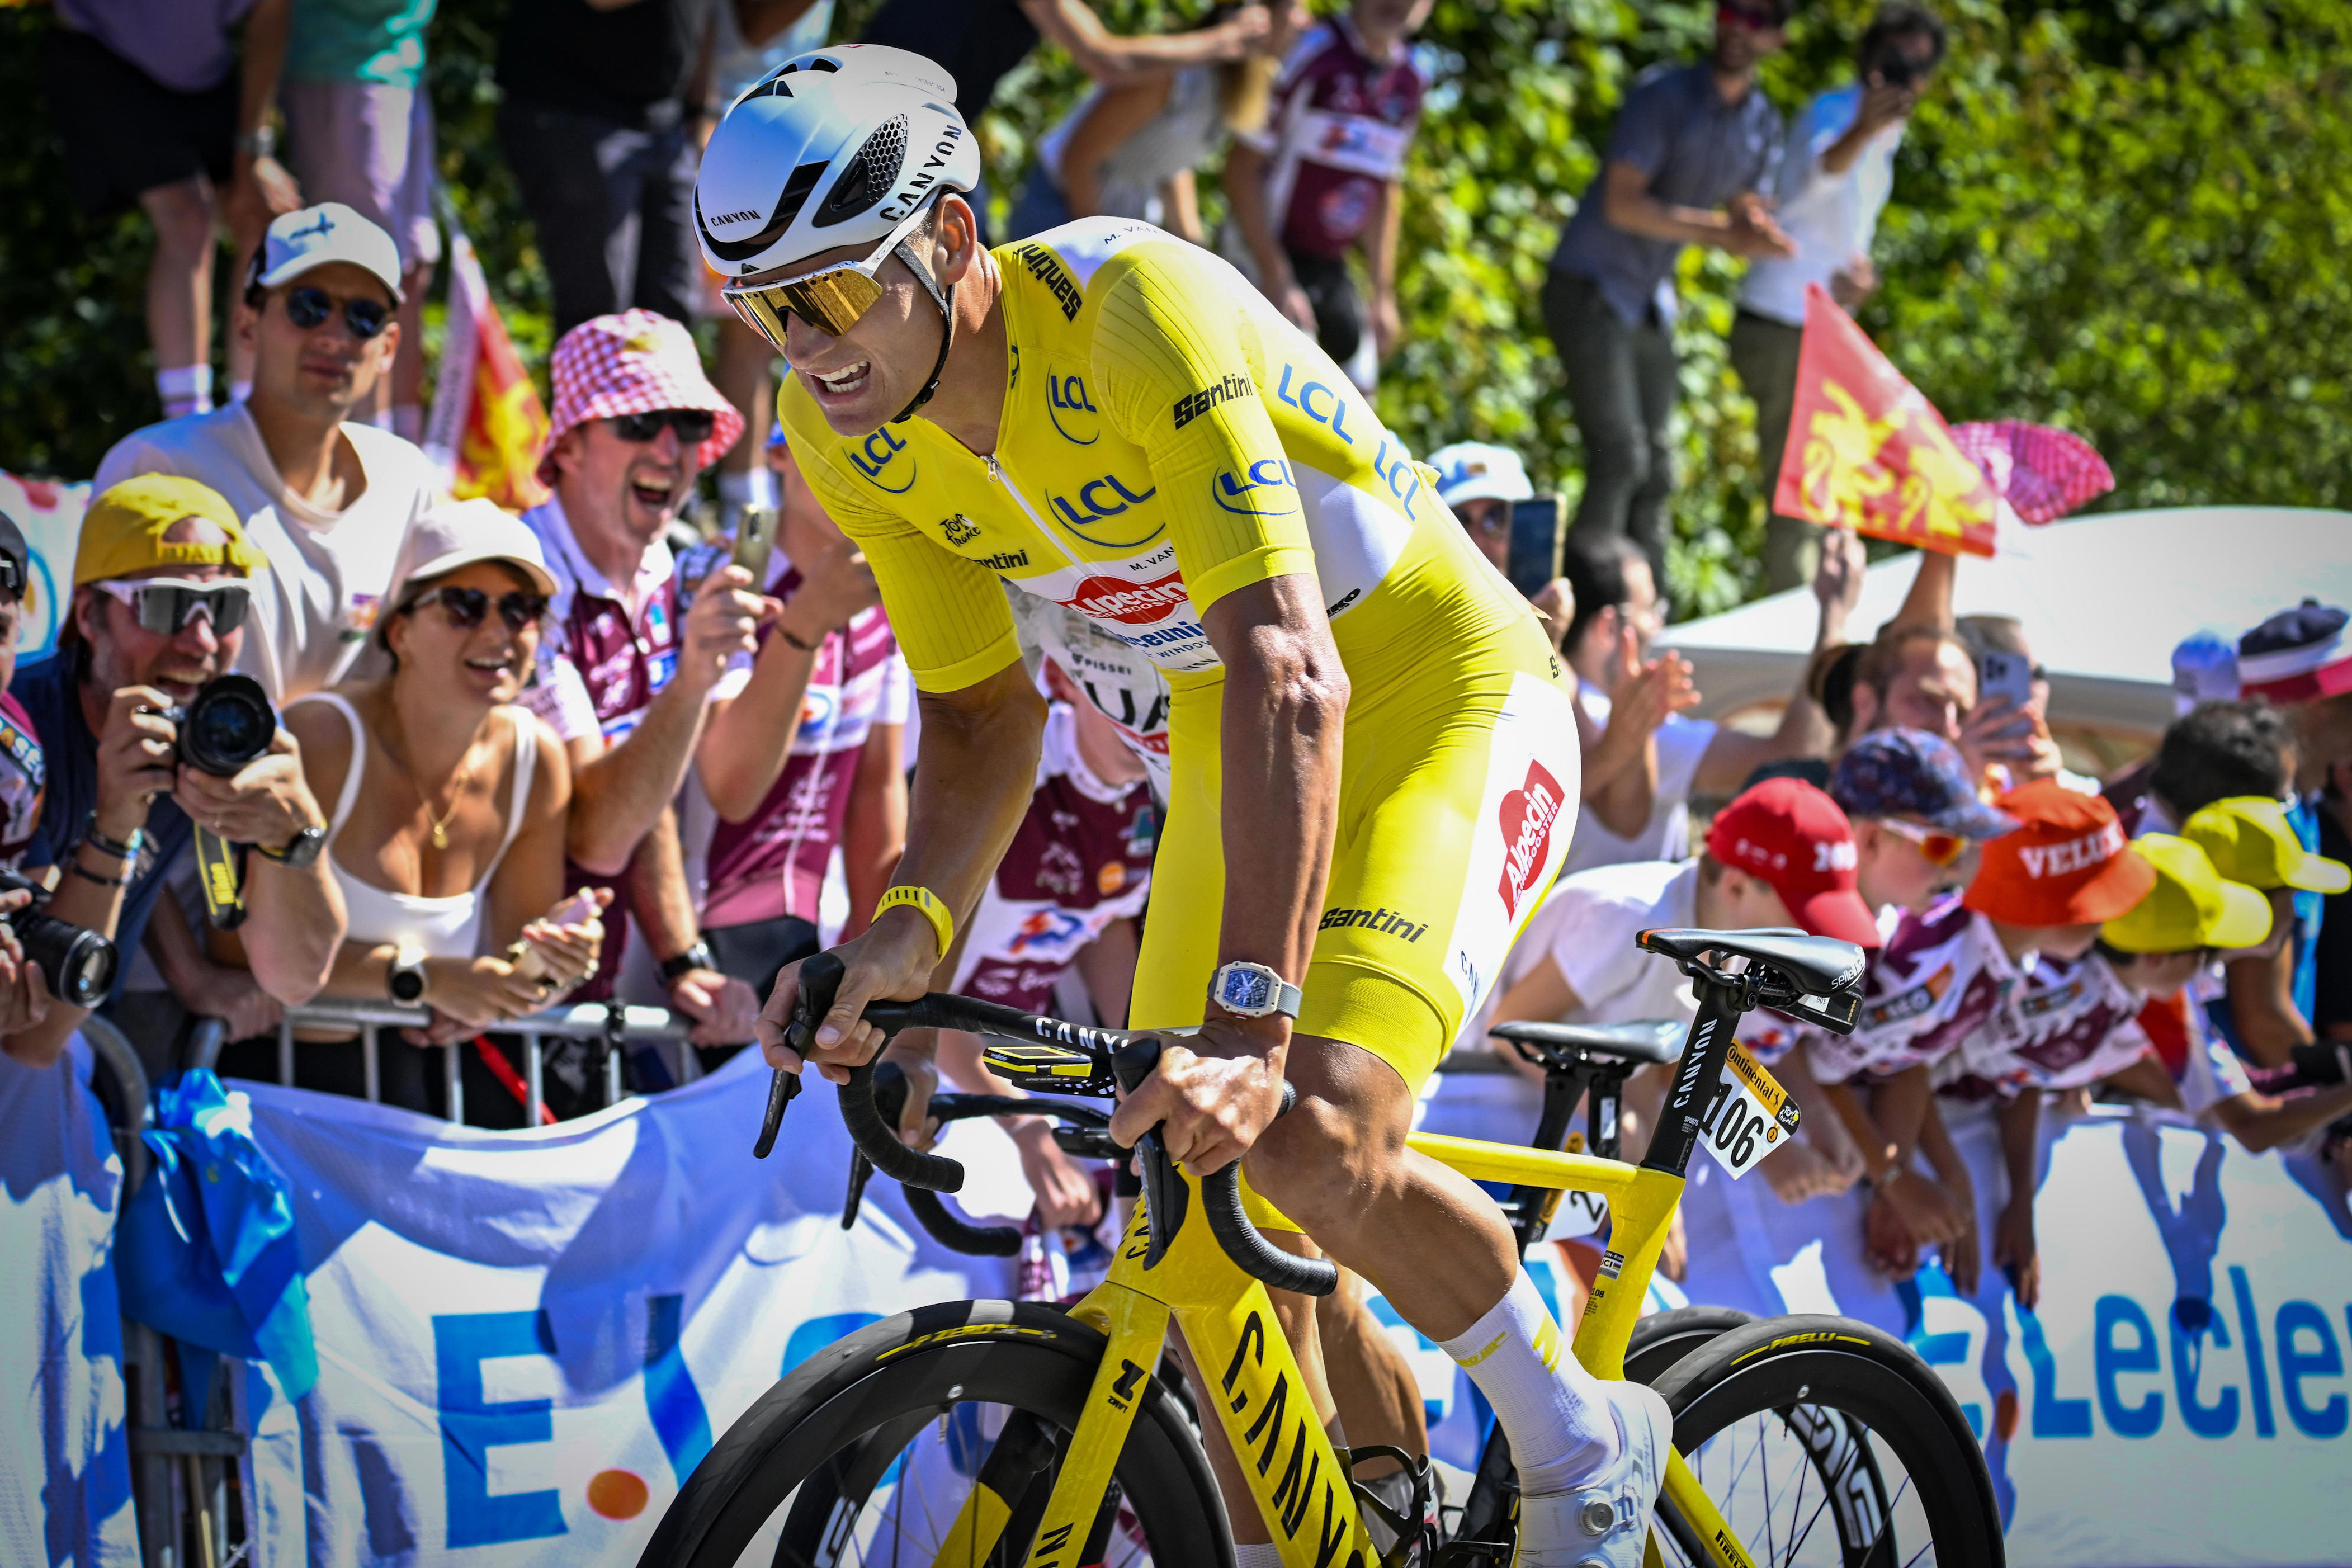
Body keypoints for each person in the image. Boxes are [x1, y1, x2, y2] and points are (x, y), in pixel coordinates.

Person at [701, 48, 1666, 1566]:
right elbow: (972, 711)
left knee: (1310, 1116)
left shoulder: (1131, 307)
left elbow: (1295, 670)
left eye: (825, 295)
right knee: (1191, 1203)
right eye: (762, 307)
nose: (799, 348)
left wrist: (1251, 1030)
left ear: (949, 241)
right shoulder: (845, 426)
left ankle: (1576, 1436)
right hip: (1234, 726)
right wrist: (897, 938)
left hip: (1426, 687)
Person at [212, 502, 607, 1113]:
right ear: (399, 631)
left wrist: (552, 964)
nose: (499, 631)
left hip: (433, 1099)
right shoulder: (321, 740)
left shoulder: (536, 760)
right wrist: (425, 979)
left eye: (521, 609)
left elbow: (506, 966)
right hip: (295, 1098)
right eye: (465, 606)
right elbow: (238, 952)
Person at [6, 477, 347, 1079]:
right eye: (164, 605)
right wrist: (113, 824)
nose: (201, 641)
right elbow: (29, 1036)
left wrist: (296, 838)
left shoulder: (218, 735)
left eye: (227, 607)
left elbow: (296, 978)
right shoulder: (18, 736)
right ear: (89, 614)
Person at [518, 310, 769, 1046]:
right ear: (565, 445)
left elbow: (659, 773)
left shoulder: (669, 569)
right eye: (638, 422)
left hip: (575, 992)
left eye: (689, 423)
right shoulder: (520, 580)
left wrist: (679, 955)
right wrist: (693, 681)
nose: (671, 449)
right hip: (477, 997)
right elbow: (596, 834)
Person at [1479, 777, 1884, 1211]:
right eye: (1804, 920)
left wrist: (1652, 1183)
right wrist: (1619, 1131)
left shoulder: (1733, 939)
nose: (1809, 941)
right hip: (1479, 1095)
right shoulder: (1633, 920)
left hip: (1563, 1111)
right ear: (1735, 887)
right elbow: (1508, 1029)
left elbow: (1644, 1062)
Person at [1808, 781, 2151, 1292]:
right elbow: (1819, 1069)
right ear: (2043, 906)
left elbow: (1908, 1062)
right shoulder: (1930, 971)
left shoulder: (2011, 959)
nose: (2111, 920)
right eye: (2095, 901)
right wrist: (1895, 1182)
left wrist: (1931, 1178)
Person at [94, 202, 436, 707]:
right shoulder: (158, 468)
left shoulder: (407, 482)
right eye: (308, 306)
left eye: (363, 317)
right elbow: (99, 677)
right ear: (247, 323)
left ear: (388, 347)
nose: (335, 335)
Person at [1543, 0, 1793, 584]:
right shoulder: (1664, 96)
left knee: (1658, 469)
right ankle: (1588, 607)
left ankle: (1649, 612)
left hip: (1645, 299)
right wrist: (1721, 233)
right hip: (1588, 284)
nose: (1738, 27)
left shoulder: (1762, 123)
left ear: (1778, 39)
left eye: (1757, 19)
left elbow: (1743, 212)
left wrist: (1762, 234)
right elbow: (1621, 203)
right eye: (1732, 10)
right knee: (1618, 456)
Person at [677, 431, 906, 1026]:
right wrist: (804, 625)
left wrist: (876, 950)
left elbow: (877, 791)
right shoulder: (723, 574)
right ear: (777, 455)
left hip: (814, 933)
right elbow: (731, 788)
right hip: (706, 935)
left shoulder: (891, 592)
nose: (855, 469)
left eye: (877, 450)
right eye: (830, 449)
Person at [1731, 4, 1945, 593]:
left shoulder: (1886, 140)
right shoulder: (1834, 113)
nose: (1902, 73)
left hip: (1821, 330)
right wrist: (1862, 129)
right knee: (1797, 487)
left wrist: (1862, 278)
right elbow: (1802, 189)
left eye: (1916, 65)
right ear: (1867, 56)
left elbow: (1837, 237)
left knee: (1821, 488)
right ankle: (1790, 625)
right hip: (1780, 325)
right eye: (1893, 57)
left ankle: (1807, 617)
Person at [42, 0, 301, 418]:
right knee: (188, 218)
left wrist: (254, 148)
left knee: (260, 214)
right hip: (102, 52)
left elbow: (271, 14)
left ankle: (252, 419)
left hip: (204, 73)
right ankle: (187, 424)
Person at [1557, 526, 1860, 876]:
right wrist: (1834, 617)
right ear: (1609, 628)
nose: (1658, 624)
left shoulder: (1545, 707)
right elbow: (1792, 759)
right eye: (1651, 608)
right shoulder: (1627, 723)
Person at [1222, 0, 1432, 393]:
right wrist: (1274, 272)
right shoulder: (1311, 51)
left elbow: (1385, 186)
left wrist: (1382, 293)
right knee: (1285, 387)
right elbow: (1240, 167)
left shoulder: (1413, 78)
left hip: (1328, 262)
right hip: (1260, 250)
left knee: (1361, 390)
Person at [495, 0, 721, 334]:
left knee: (672, 318)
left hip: (669, 122)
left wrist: (703, 108)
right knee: (597, 317)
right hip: (573, 107)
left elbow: (706, 14)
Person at [280, 0, 444, 438]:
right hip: (341, 64)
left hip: (402, 69)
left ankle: (404, 450)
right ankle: (359, 448)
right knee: (361, 276)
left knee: (409, 270)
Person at [1008, 3, 1306, 243]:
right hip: (1063, 215)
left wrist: (1196, 254)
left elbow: (1170, 164)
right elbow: (1077, 160)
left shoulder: (1229, 87)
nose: (1305, 20)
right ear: (1256, 13)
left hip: (1114, 226)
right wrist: (1098, 252)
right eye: (1295, 6)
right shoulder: (1174, 76)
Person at [1827, 726, 2016, 919]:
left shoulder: (1897, 929)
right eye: (1942, 846)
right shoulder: (1807, 939)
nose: (1955, 870)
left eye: (1961, 846)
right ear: (1871, 840)